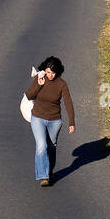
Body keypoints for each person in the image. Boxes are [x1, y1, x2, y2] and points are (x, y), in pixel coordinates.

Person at [25, 56, 75, 187]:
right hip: (38, 117)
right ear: (44, 70)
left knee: (52, 148)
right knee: (42, 146)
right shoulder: (40, 78)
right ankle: (44, 176)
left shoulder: (62, 84)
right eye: (48, 72)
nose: (50, 75)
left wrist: (72, 122)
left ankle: (49, 171)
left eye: (53, 73)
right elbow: (29, 95)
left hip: (54, 120)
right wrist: (39, 86)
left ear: (58, 72)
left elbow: (68, 102)